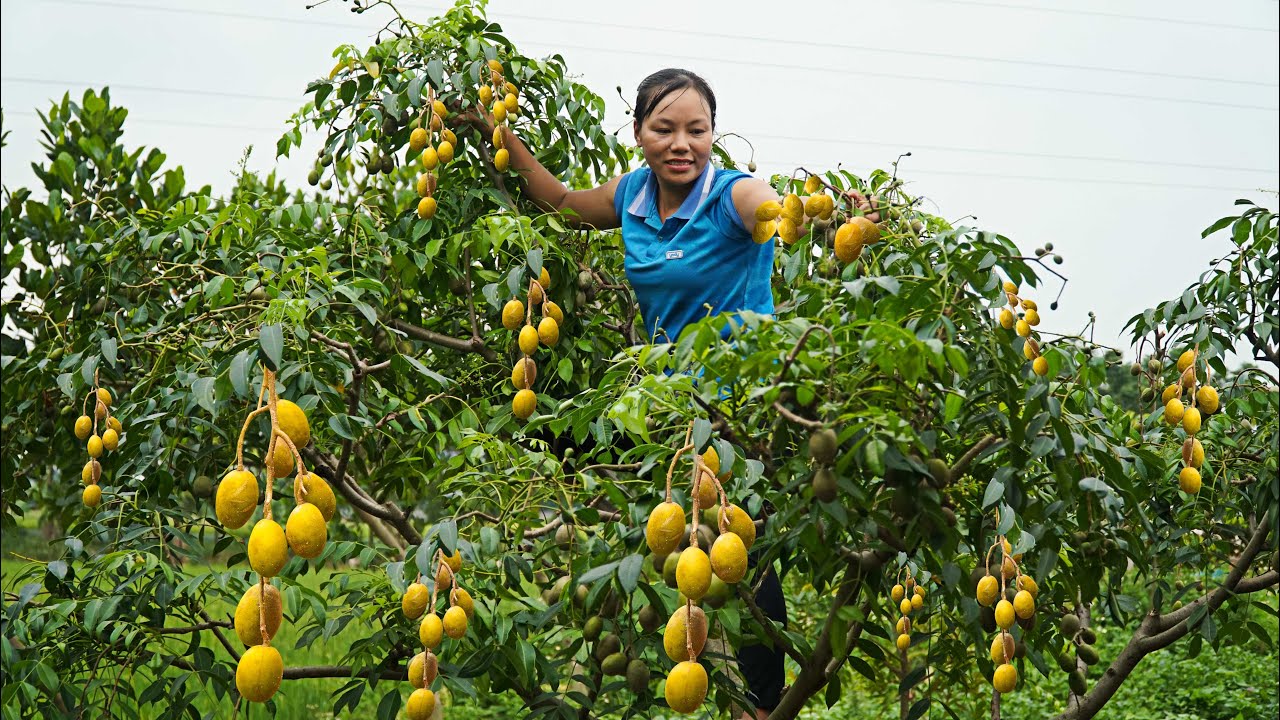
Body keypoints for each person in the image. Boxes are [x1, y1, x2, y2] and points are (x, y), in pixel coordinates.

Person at [463, 68, 879, 719]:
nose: (682, 142)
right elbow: (561, 201)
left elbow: (778, 211)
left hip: (742, 410)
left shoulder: (734, 195)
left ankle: (761, 707)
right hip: (667, 407)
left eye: (697, 129)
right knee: (539, 442)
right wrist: (502, 136)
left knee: (744, 550)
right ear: (639, 134)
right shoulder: (631, 195)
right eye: (665, 128)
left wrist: (828, 221)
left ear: (713, 134)